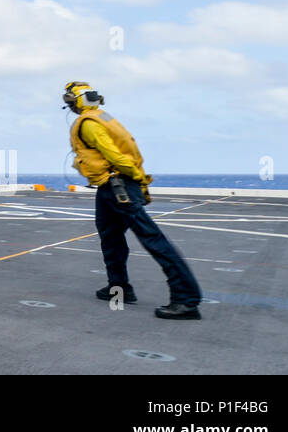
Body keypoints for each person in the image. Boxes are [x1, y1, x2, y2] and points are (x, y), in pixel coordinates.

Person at [64, 81, 202, 320]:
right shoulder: (104, 118)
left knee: (153, 239)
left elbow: (115, 156)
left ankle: (186, 299)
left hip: (119, 186)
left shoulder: (88, 124)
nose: (71, 108)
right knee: (111, 238)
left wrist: (137, 179)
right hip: (109, 187)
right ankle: (119, 288)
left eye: (70, 103)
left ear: (79, 101)